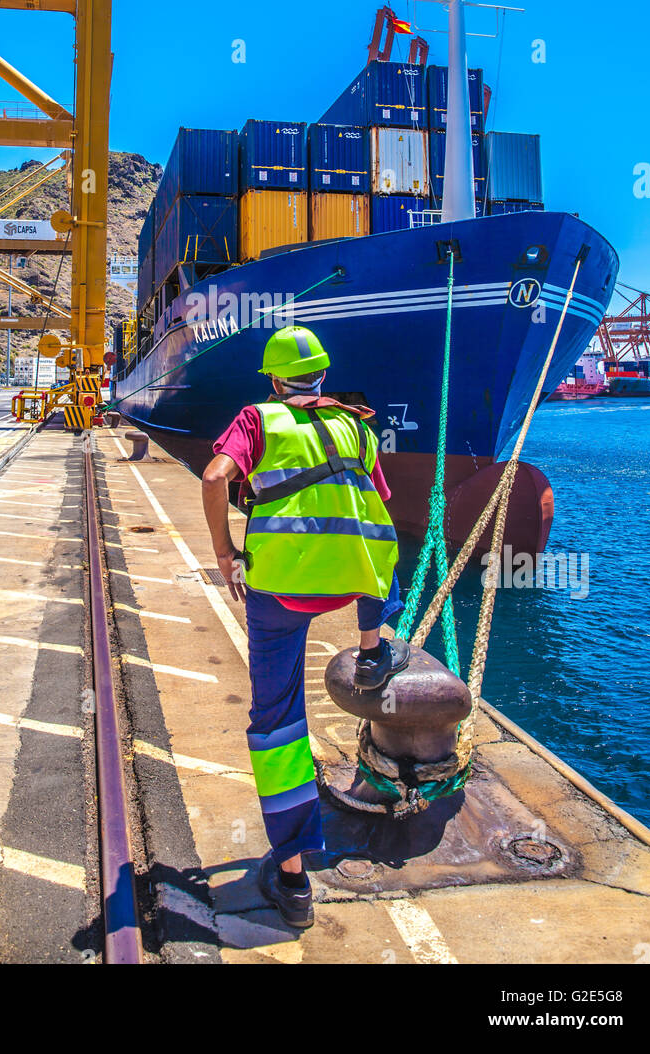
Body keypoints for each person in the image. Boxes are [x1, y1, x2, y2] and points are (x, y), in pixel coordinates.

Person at [201, 324, 409, 930]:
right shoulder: (359, 425)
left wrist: (223, 554)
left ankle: (294, 881)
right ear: (322, 375)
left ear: (273, 379)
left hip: (281, 592)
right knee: (384, 551)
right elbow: (375, 501)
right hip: (353, 579)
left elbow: (216, 477)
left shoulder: (257, 419)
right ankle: (374, 649)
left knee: (277, 722)